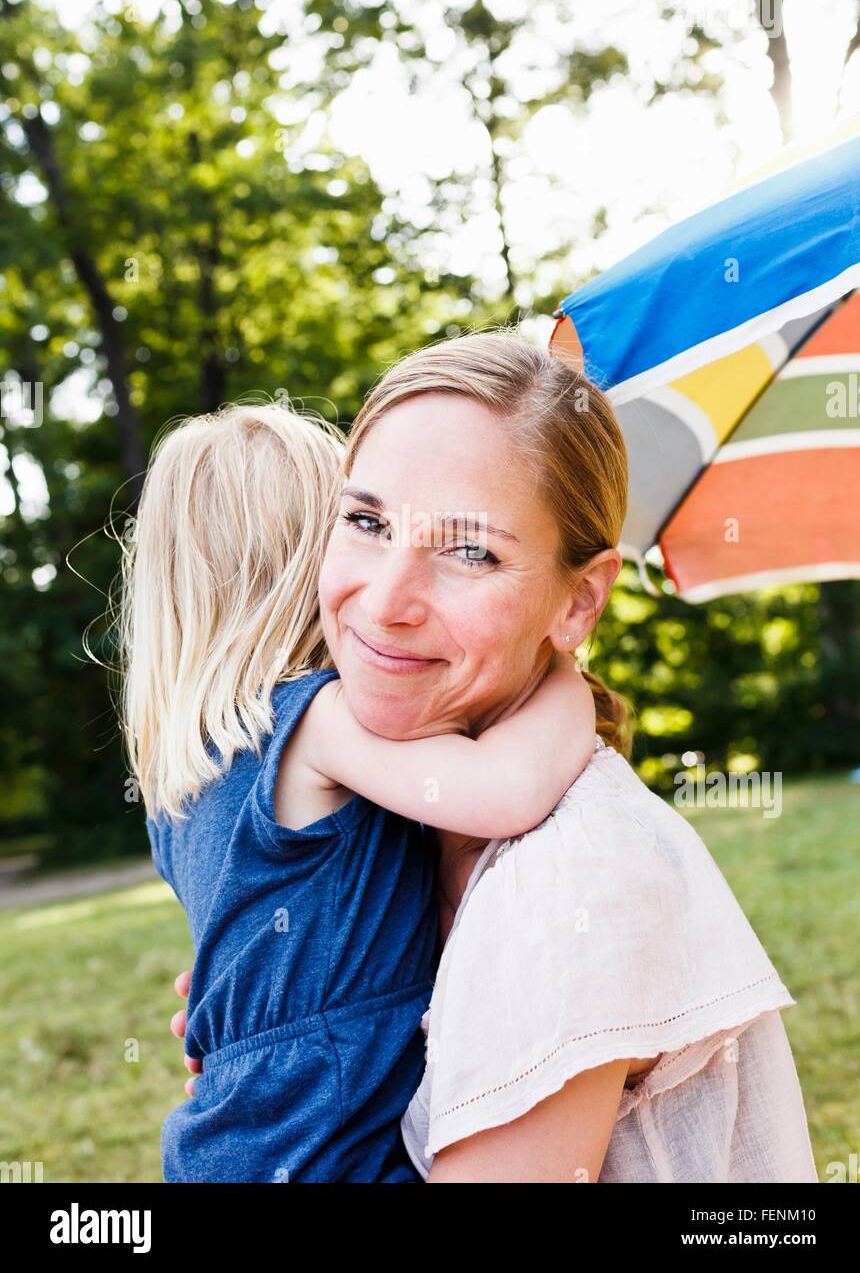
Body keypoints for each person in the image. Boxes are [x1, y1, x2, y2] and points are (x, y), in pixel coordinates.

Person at [168, 328, 818, 1182]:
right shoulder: (392, 827)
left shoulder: (567, 881)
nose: (386, 601)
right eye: (366, 521)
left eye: (470, 550)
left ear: (579, 602)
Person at [124, 400, 597, 1182]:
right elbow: (511, 790)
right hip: (326, 1140)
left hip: (244, 1134)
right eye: (365, 528)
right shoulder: (313, 722)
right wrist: (561, 668)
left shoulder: (182, 774)